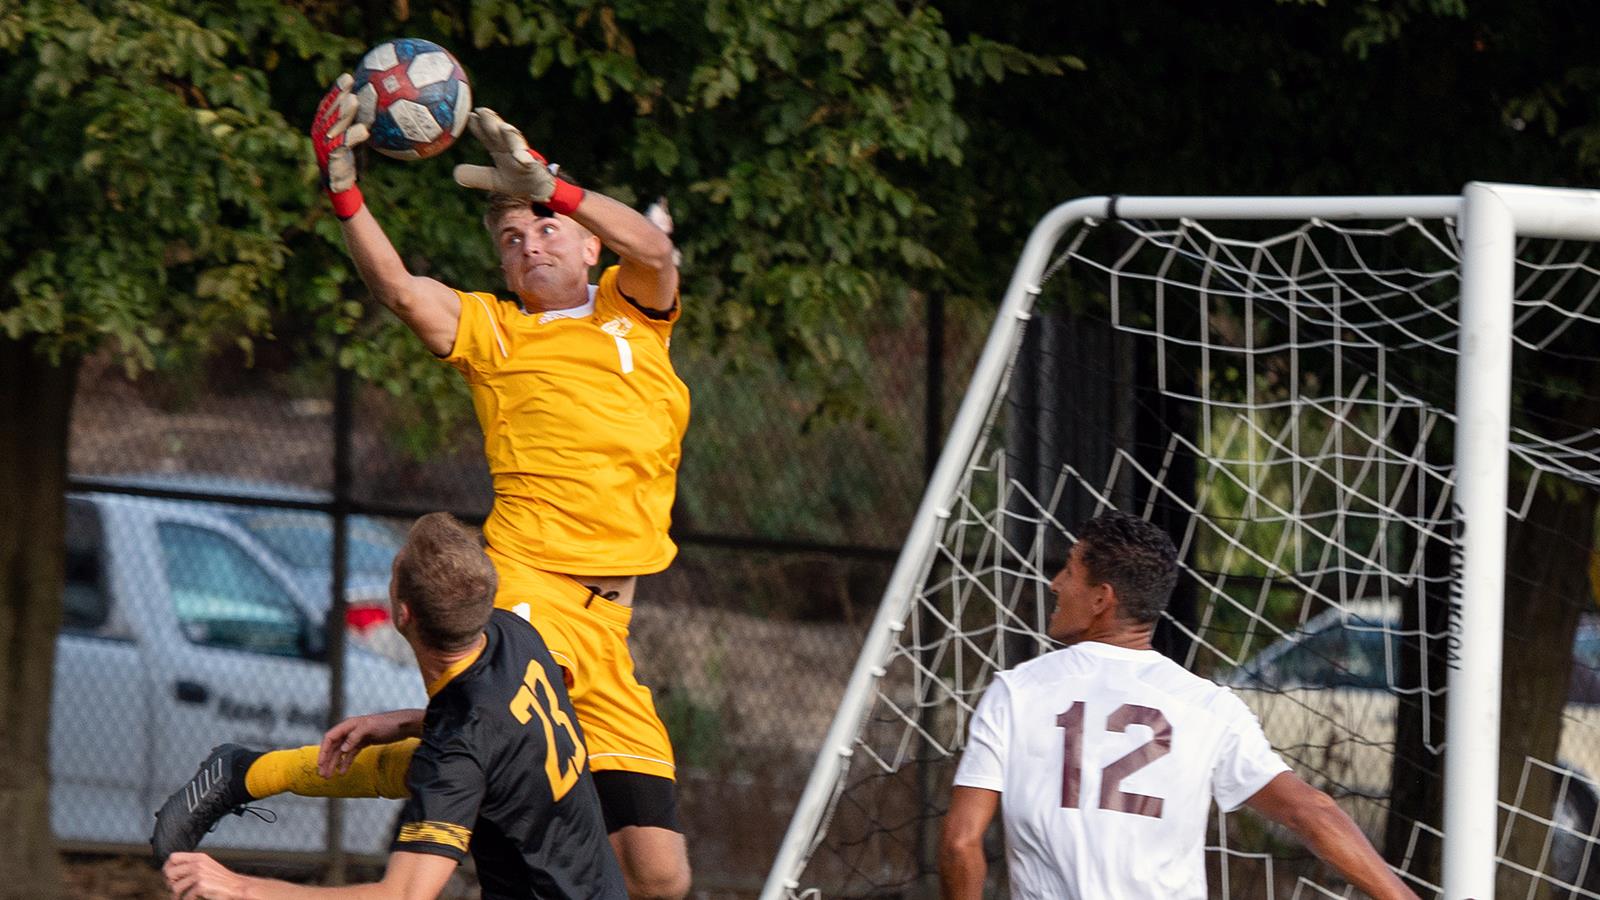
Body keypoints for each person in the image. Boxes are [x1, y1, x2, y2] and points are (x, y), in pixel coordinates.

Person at [152, 74, 691, 898]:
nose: (530, 244)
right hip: (529, 593)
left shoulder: (634, 308)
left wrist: (553, 187)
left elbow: (655, 251)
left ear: (589, 243)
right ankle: (257, 777)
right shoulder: (497, 332)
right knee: (479, 746)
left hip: (609, 626)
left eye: (544, 228)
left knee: (661, 876)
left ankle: (254, 769)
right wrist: (344, 190)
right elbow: (401, 289)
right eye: (511, 239)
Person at [938, 511, 1420, 900]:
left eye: (1069, 569)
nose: (1055, 583)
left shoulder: (1018, 691)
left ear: (1103, 598)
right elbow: (1310, 812)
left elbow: (961, 841)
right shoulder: (1208, 706)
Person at [163, 513, 626, 899]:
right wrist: (409, 721)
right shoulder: (514, 634)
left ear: (402, 614)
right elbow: (501, 733)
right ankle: (244, 774)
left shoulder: (458, 749)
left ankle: (243, 774)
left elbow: (401, 895)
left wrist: (242, 887)